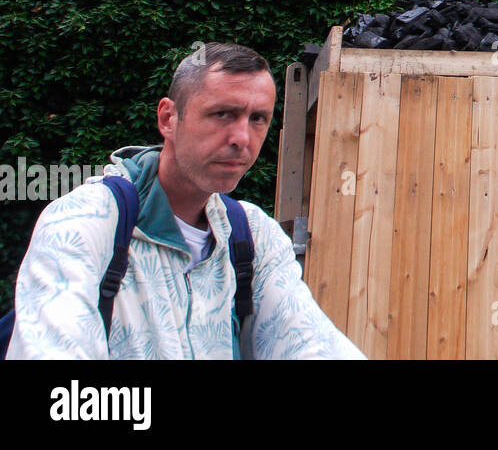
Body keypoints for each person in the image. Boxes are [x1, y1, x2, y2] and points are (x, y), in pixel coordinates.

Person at [6, 42, 364, 359]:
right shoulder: (84, 221)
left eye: (258, 119)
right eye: (222, 113)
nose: (242, 137)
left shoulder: (254, 236)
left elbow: (310, 343)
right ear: (168, 118)